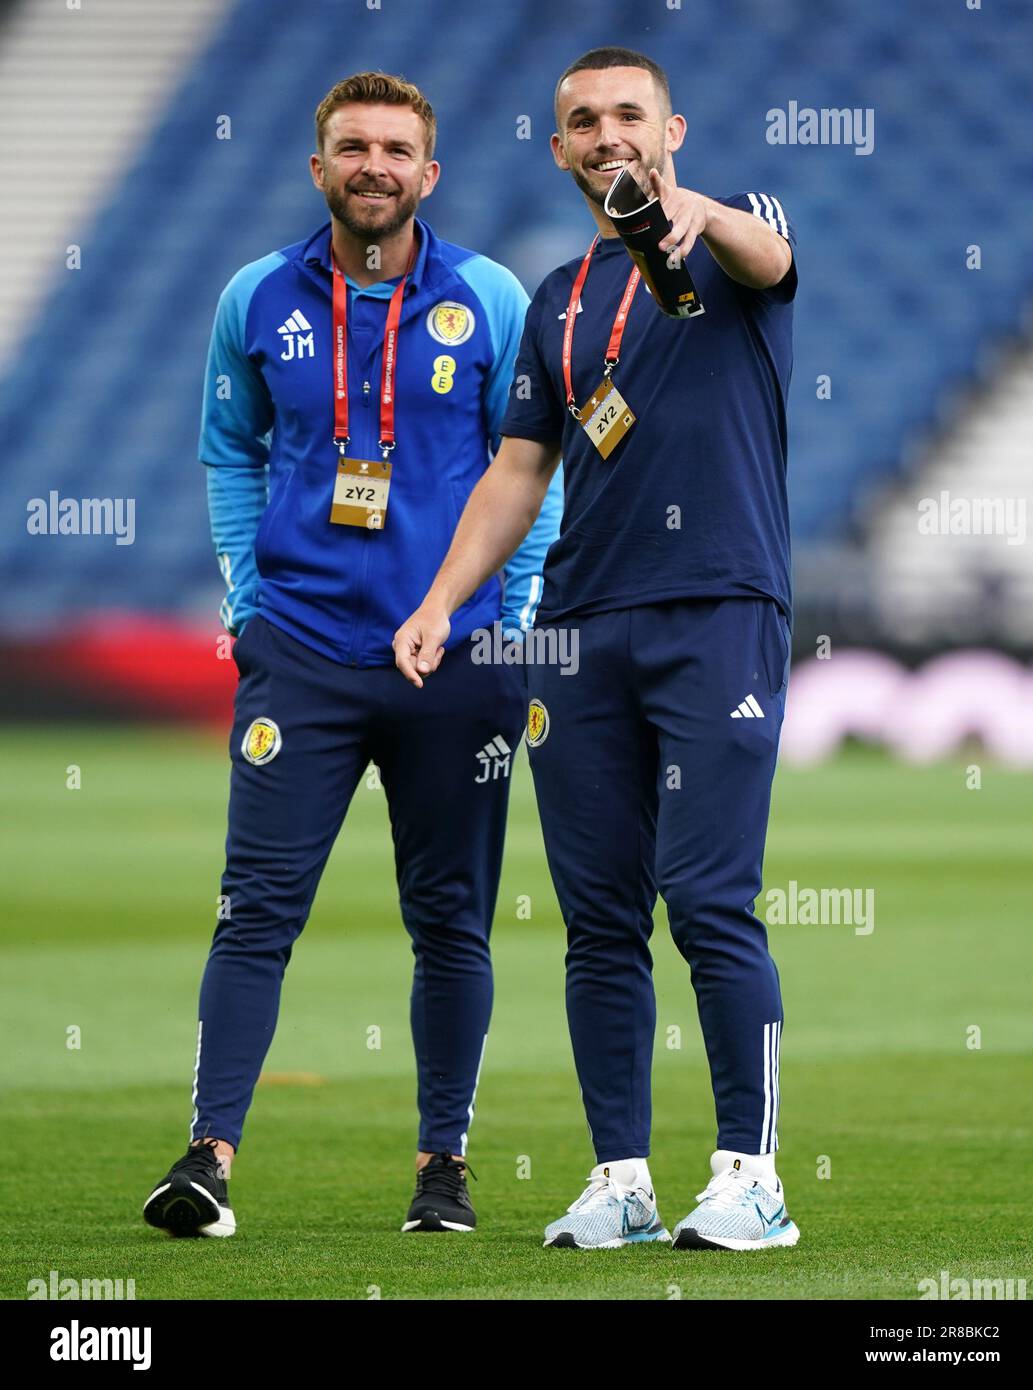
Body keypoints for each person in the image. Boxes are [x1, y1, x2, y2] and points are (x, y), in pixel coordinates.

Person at [143, 71, 562, 1239]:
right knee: (255, 910)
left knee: (450, 920)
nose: (372, 164)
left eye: (395, 149)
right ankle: (208, 1158)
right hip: (305, 653)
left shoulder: (489, 298)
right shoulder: (256, 298)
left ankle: (444, 1169)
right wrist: (247, 597)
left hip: (455, 659)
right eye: (350, 146)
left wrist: (509, 618)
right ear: (316, 166)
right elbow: (229, 450)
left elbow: (534, 468)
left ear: (430, 173)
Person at [394, 46, 799, 1251]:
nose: (607, 132)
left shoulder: (736, 236)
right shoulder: (557, 297)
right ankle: (621, 1174)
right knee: (598, 917)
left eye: (630, 114)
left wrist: (693, 214)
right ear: (557, 147)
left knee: (711, 898)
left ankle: (753, 1176)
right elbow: (519, 471)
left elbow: (769, 258)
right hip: (575, 634)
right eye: (583, 120)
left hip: (717, 605)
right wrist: (441, 601)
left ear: (673, 129)